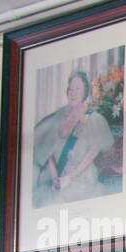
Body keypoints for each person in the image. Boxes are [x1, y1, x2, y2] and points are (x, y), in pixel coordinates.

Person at [31, 69, 114, 208]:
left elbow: (93, 152)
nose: (72, 93)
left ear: (85, 92)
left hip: (81, 178)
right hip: (56, 178)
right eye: (70, 89)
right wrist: (54, 177)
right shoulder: (59, 115)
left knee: (57, 203)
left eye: (77, 89)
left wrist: (68, 178)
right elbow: (47, 149)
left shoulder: (93, 119)